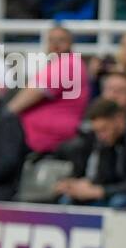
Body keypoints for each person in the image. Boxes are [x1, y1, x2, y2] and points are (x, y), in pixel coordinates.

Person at [53, 98, 126, 209]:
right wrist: (80, 184)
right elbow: (103, 177)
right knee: (69, 199)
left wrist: (97, 191)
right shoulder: (107, 140)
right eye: (97, 131)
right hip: (117, 192)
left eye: (104, 129)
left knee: (119, 202)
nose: (100, 136)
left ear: (119, 119)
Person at [7, 26, 89, 155]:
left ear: (70, 43)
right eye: (51, 40)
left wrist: (3, 115)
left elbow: (29, 96)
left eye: (61, 40)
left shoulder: (68, 63)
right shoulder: (58, 64)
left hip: (49, 137)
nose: (55, 44)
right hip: (36, 135)